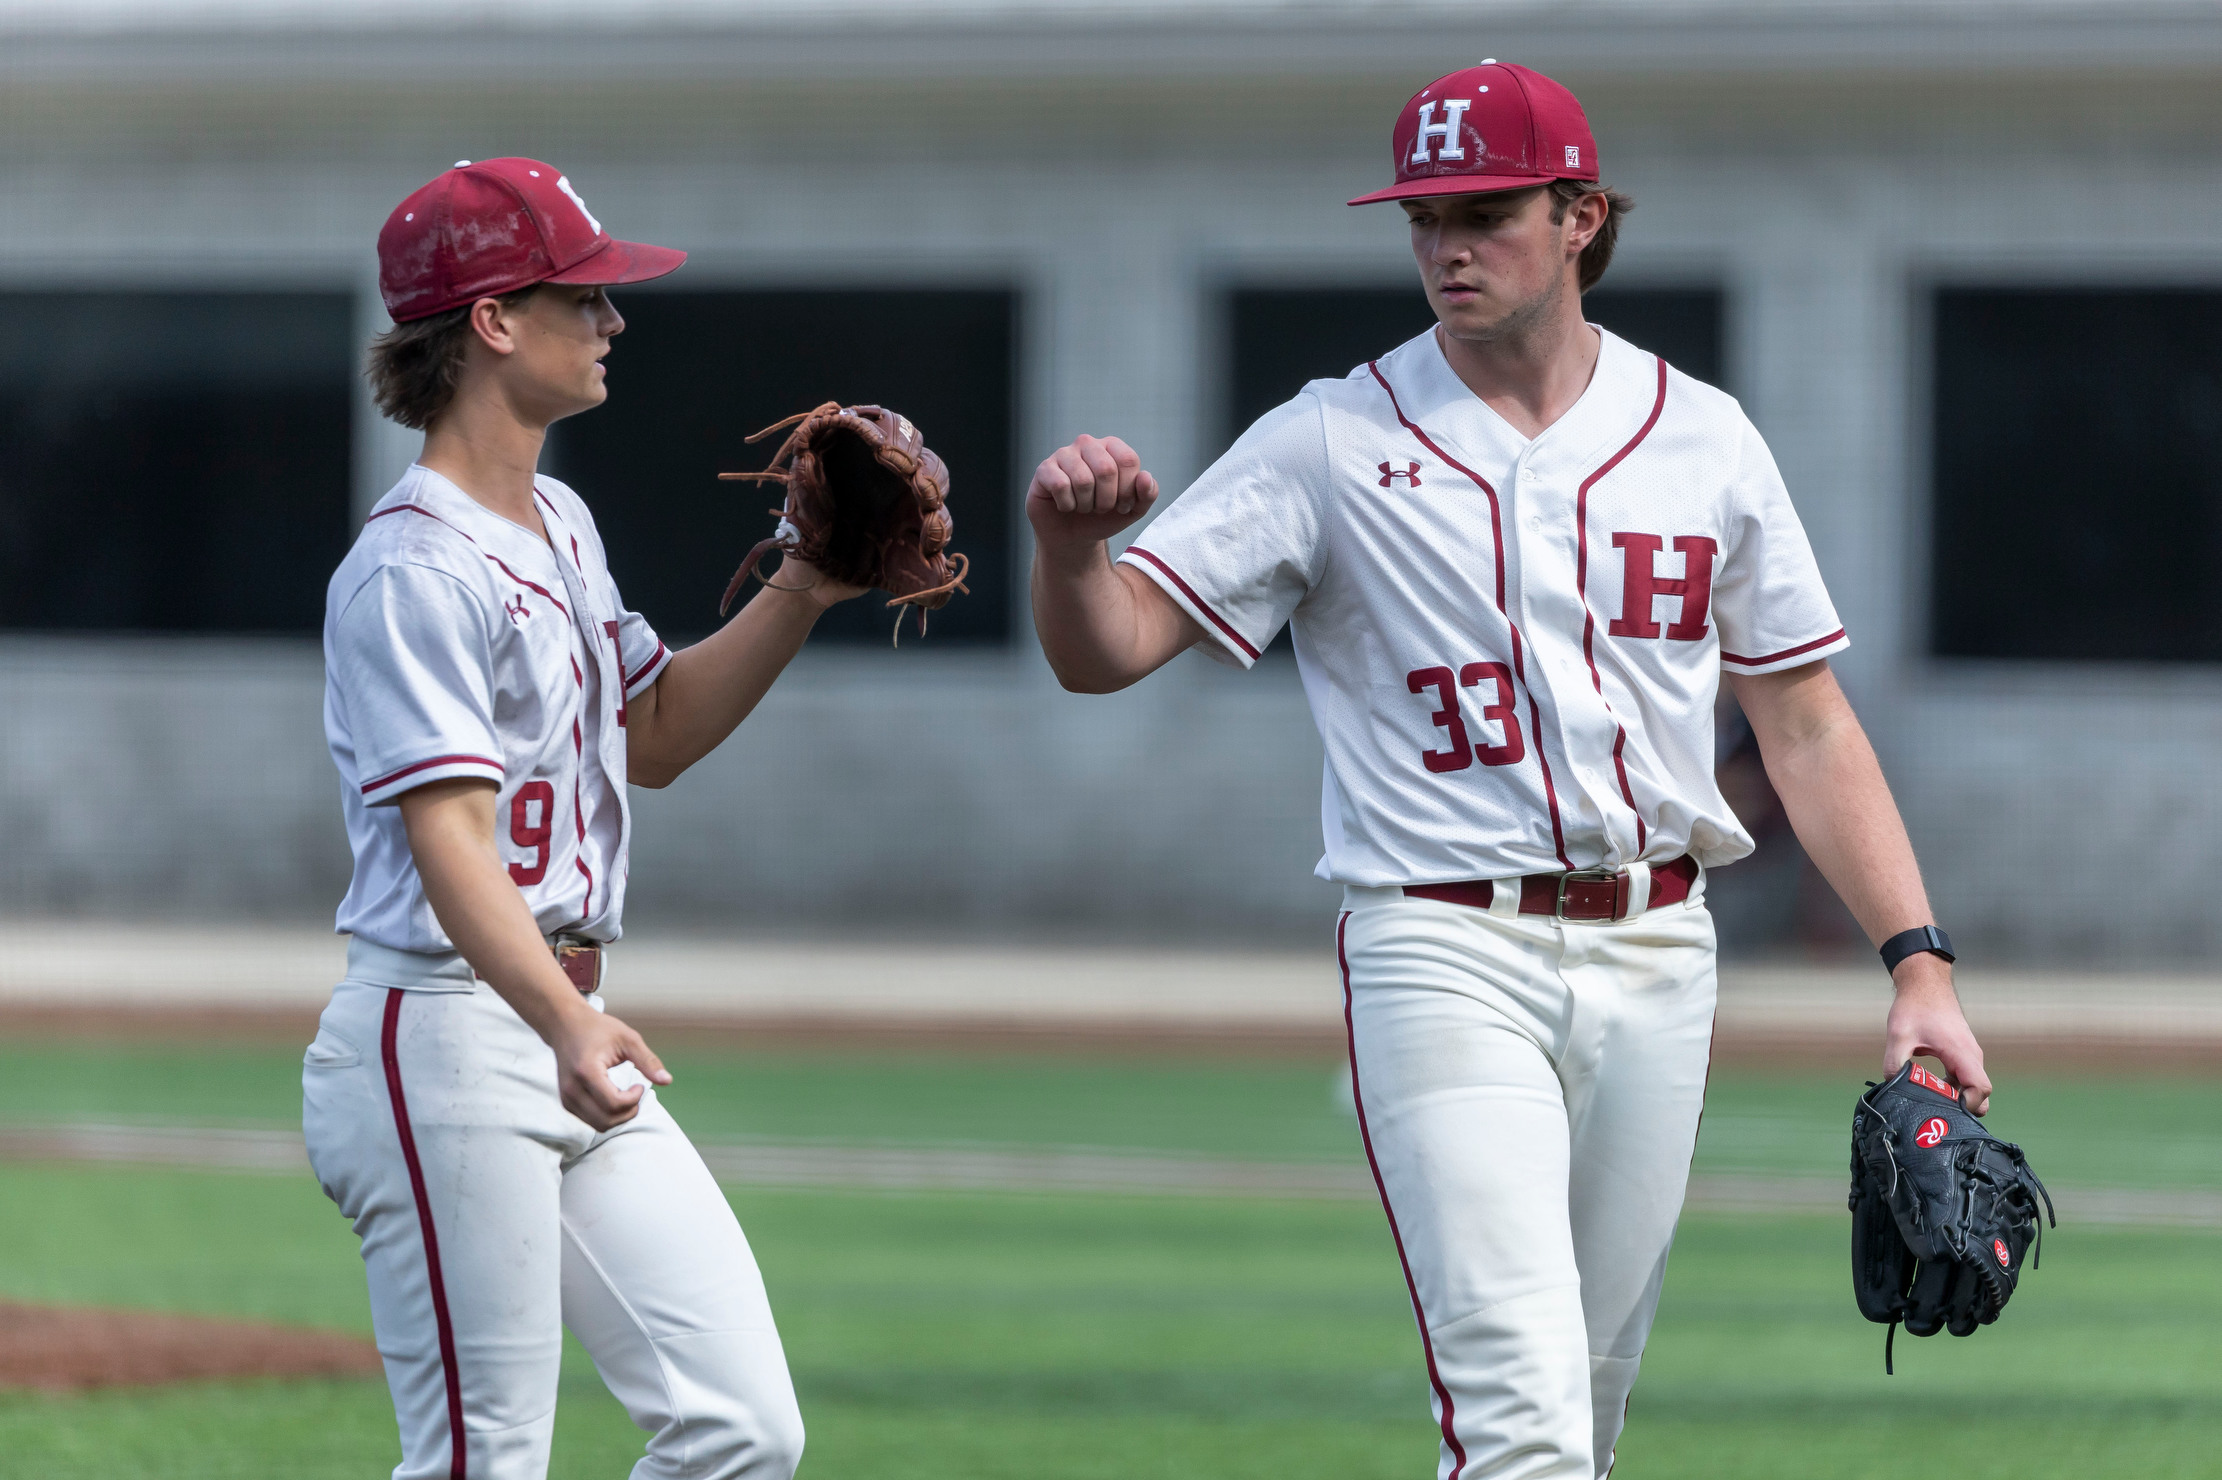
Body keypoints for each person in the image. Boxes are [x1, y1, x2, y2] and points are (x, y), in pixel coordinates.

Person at [1026, 64, 1989, 1479]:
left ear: (1580, 215)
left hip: (1661, 950)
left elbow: (1804, 721)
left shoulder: (1701, 435)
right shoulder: (1329, 438)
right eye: (1422, 217)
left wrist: (1918, 964)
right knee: (1519, 1420)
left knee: (1578, 1425)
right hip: (1439, 947)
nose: (1445, 247)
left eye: (1482, 211)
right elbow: (1104, 651)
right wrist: (1066, 554)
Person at [304, 158, 860, 1480]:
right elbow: (450, 842)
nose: (613, 321)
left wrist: (805, 584)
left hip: (557, 1023)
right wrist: (564, 1020)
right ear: (494, 320)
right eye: (583, 297)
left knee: (740, 1430)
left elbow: (652, 734)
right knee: (481, 1462)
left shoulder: (558, 518)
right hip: (438, 1036)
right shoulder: (411, 566)